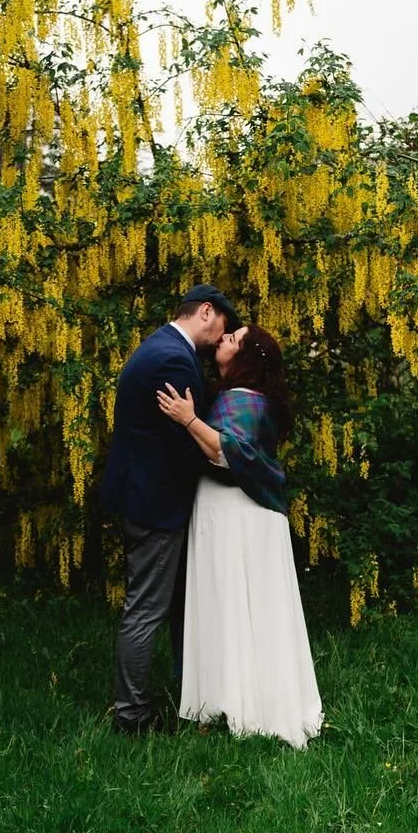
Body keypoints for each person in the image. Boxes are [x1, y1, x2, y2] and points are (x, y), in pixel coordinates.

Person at [156, 324, 323, 748]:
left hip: (237, 514)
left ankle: (239, 704)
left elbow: (226, 454)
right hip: (227, 513)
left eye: (234, 339)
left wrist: (187, 418)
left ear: (247, 358)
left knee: (231, 601)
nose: (224, 339)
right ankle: (222, 701)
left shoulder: (246, 402)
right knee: (228, 604)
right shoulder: (242, 399)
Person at [101, 284, 241, 735]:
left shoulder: (157, 346)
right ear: (206, 312)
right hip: (157, 502)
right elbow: (185, 446)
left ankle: (189, 698)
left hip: (145, 495)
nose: (222, 338)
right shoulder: (175, 359)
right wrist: (230, 466)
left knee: (171, 606)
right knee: (146, 610)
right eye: (222, 326)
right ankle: (132, 717)